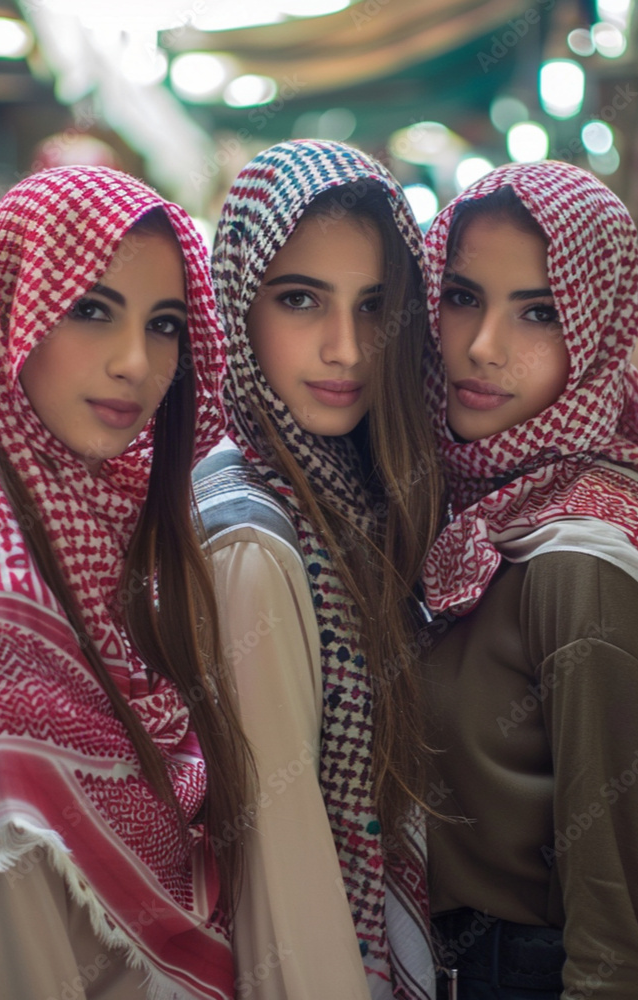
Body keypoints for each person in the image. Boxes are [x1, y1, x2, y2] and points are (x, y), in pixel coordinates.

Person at [0, 166, 251, 1000]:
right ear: (12, 319)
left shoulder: (122, 562)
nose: (138, 362)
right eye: (91, 309)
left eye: (166, 324)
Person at [418, 162, 638, 1000]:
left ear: (598, 333)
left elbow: (615, 949)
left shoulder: (581, 562)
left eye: (540, 312)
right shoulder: (454, 512)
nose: (482, 346)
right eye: (463, 297)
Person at [194, 140, 444, 999]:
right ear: (236, 303)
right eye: (300, 300)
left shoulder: (361, 498)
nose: (346, 347)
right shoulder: (251, 539)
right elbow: (283, 877)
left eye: (374, 306)